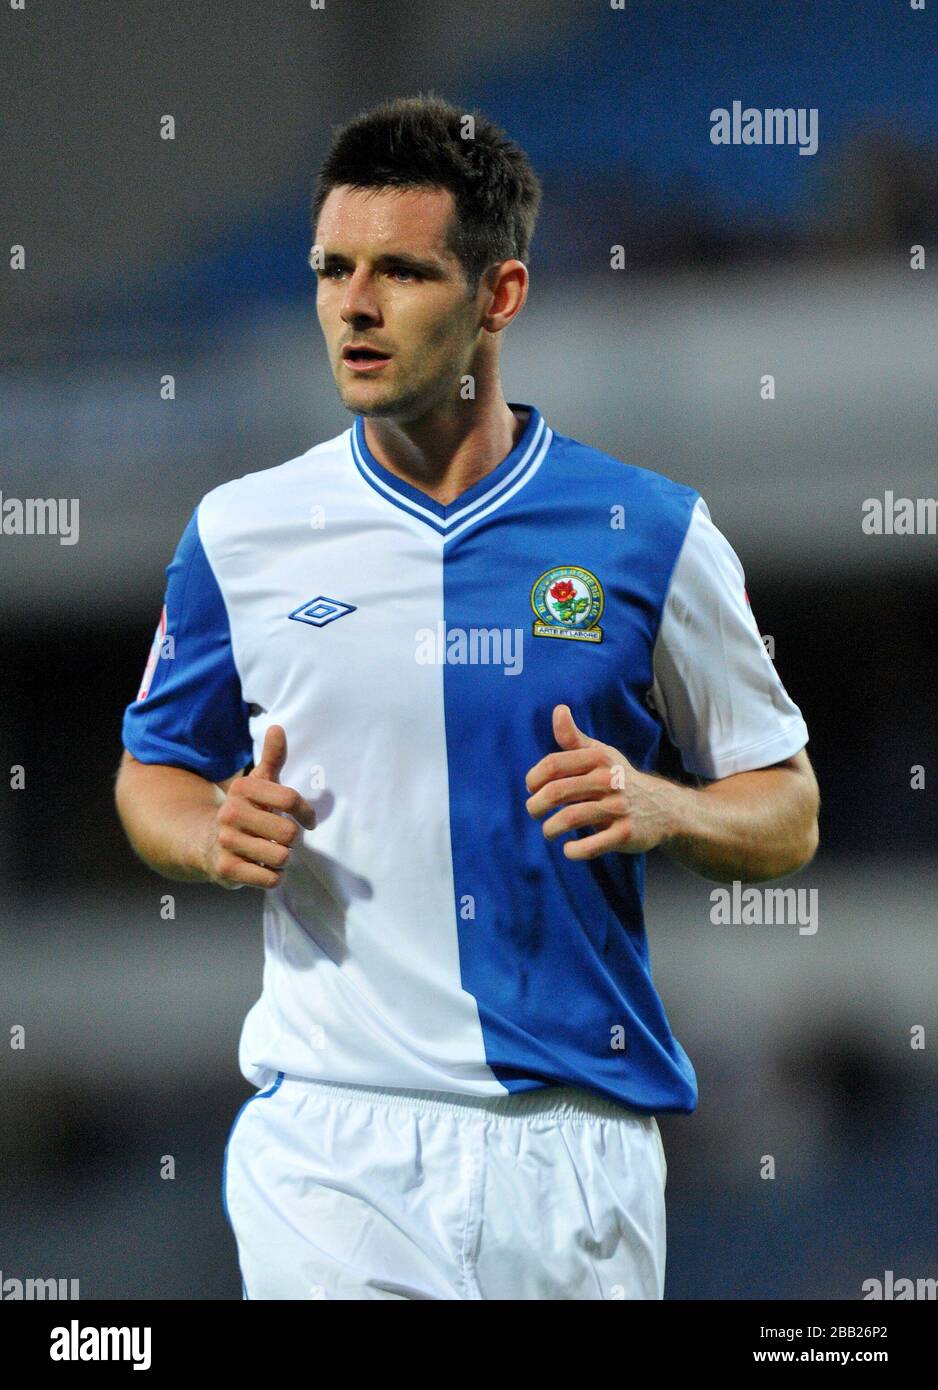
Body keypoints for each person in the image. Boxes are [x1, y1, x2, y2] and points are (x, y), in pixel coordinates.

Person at [115, 93, 820, 1300]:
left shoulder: (648, 533)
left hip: (578, 1153)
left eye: (400, 270)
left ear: (499, 294)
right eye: (332, 268)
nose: (353, 304)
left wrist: (670, 809)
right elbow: (152, 771)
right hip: (331, 1142)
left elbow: (787, 811)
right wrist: (204, 833)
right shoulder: (240, 533)